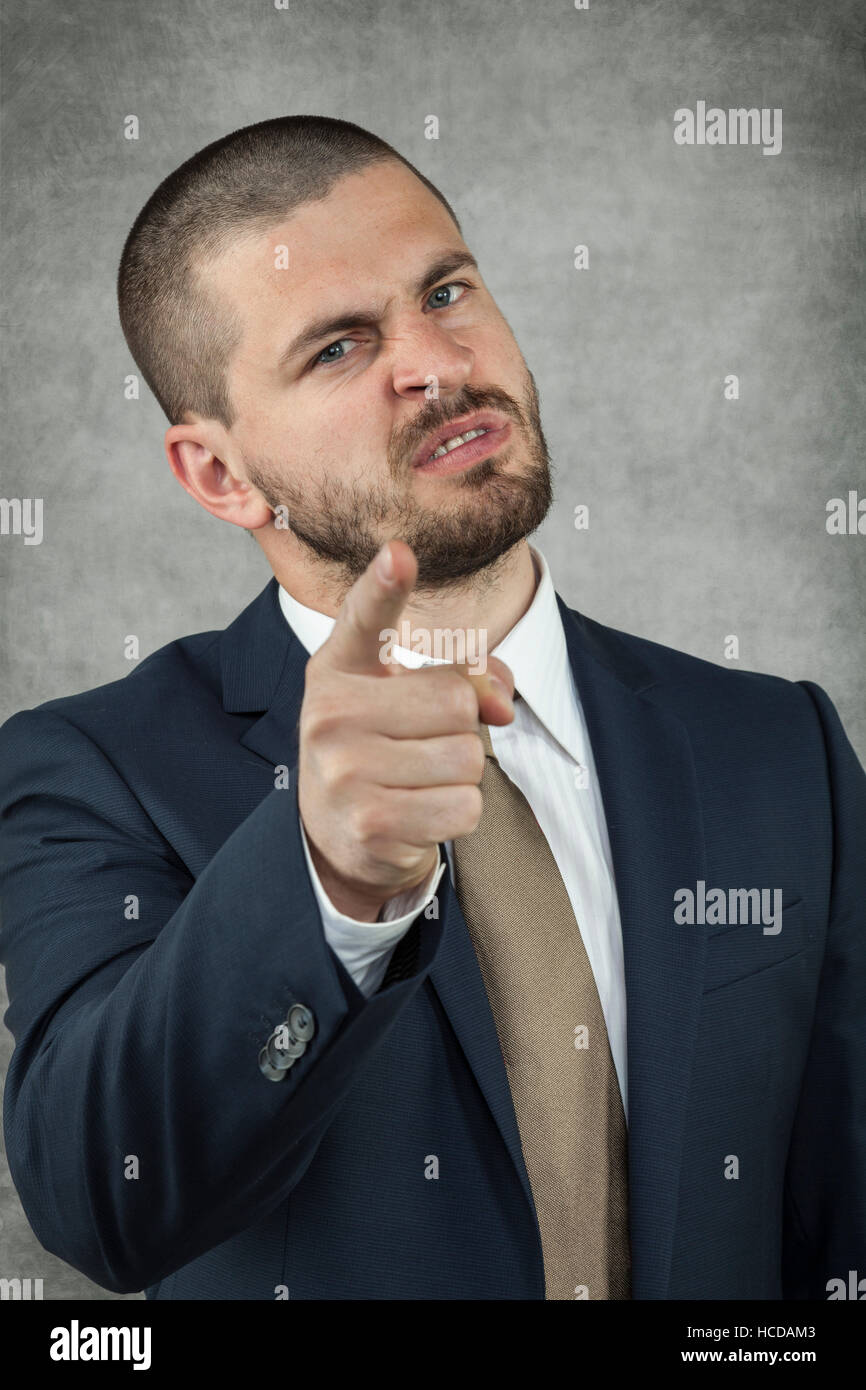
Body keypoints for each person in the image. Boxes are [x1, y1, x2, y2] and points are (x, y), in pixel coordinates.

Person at [0, 115, 863, 1301]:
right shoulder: (86, 768)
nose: (436, 364)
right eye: (339, 349)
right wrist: (326, 879)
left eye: (445, 290)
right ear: (220, 473)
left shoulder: (779, 746)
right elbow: (98, 1201)